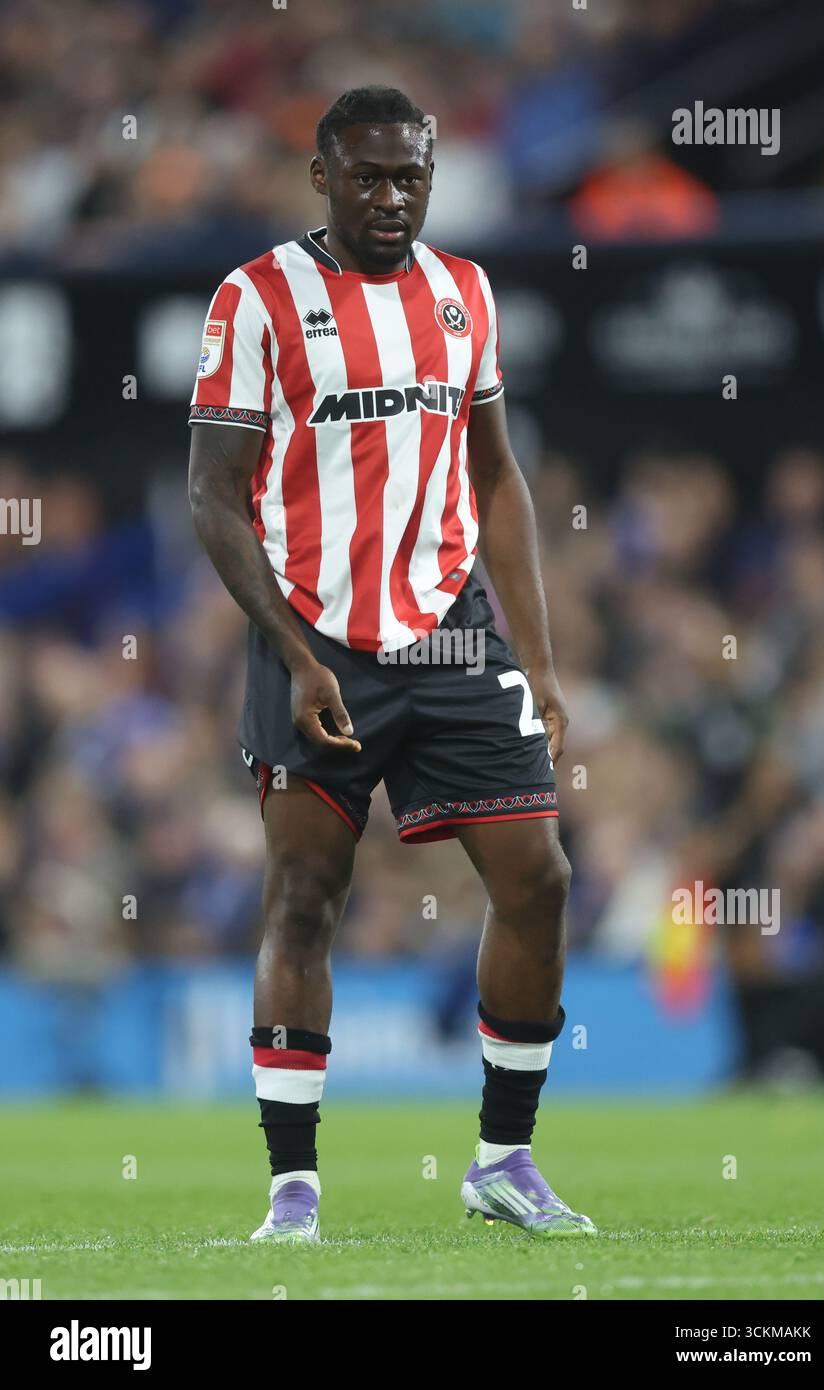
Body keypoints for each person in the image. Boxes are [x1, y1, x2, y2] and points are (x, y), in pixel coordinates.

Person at [188, 86, 595, 1243]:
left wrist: (541, 656)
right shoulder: (257, 298)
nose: (390, 195)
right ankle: (293, 1191)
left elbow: (499, 476)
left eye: (409, 176)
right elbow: (213, 496)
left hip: (454, 630)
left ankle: (503, 1160)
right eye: (366, 175)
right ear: (322, 176)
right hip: (311, 632)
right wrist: (286, 650)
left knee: (542, 877)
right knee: (306, 897)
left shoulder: (465, 293)